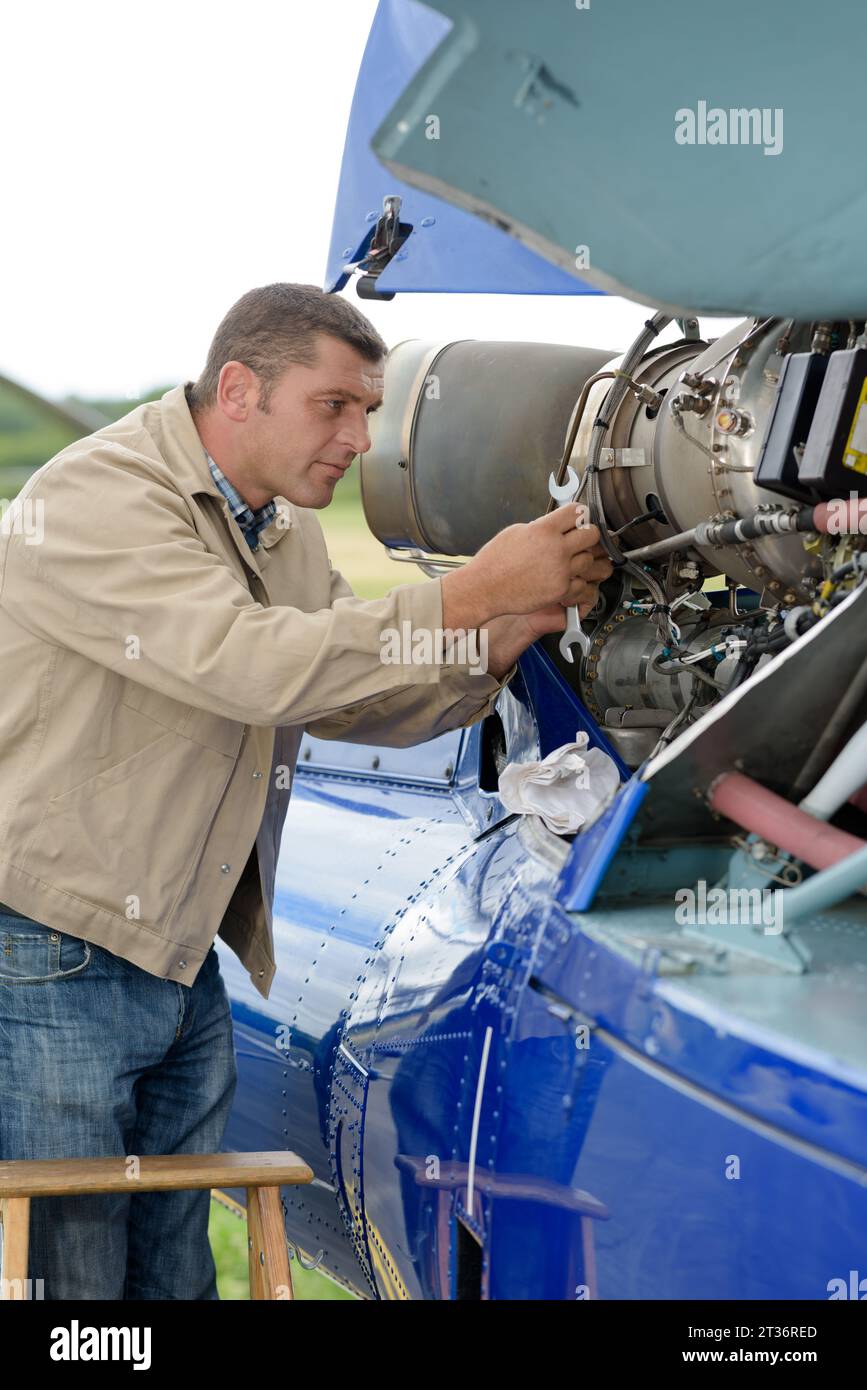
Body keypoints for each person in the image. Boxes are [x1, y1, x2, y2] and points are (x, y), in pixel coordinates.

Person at [0, 282, 612, 1299]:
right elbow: (249, 662)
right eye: (335, 406)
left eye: (371, 410)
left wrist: (500, 638)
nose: (361, 437)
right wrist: (472, 589)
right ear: (239, 390)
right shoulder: (99, 496)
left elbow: (354, 695)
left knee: (172, 1269)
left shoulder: (279, 531)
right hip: (59, 949)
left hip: (181, 948)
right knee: (75, 1275)